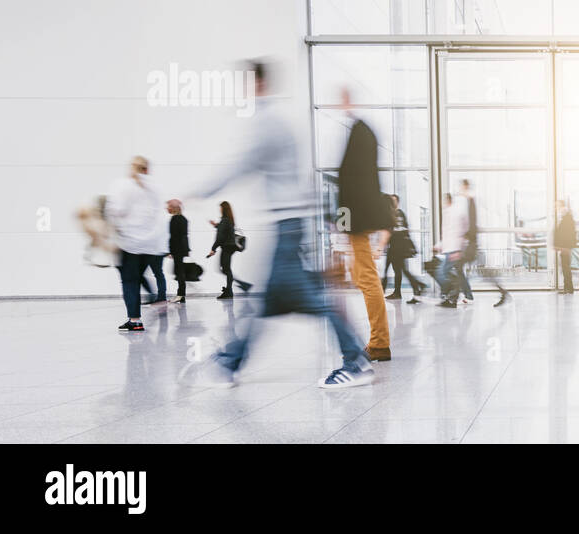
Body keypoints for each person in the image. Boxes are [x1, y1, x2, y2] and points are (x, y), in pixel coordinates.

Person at [179, 59, 374, 389]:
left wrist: (196, 192)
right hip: (288, 224)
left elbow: (239, 163)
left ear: (257, 84)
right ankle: (230, 360)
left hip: (286, 226)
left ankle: (356, 359)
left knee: (309, 301)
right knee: (269, 300)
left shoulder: (266, 122)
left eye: (244, 85)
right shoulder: (275, 120)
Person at [335, 87, 394, 362]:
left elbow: (356, 182)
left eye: (344, 98)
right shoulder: (361, 132)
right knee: (362, 276)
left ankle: (380, 342)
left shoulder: (361, 132)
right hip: (357, 220)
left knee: (367, 279)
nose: (340, 103)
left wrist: (346, 222)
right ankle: (378, 340)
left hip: (358, 220)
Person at [106, 156, 169, 332]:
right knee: (139, 276)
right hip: (151, 245)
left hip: (129, 243)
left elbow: (115, 211)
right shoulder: (156, 188)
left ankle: (135, 320)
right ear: (147, 169)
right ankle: (157, 298)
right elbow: (159, 215)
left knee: (129, 281)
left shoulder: (123, 186)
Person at [459, 179, 509, 306]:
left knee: (458, 267)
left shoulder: (471, 201)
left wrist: (466, 235)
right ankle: (503, 292)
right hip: (472, 244)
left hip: (472, 244)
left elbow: (472, 223)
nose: (460, 190)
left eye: (461, 187)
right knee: (483, 272)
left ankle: (462, 295)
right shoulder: (470, 202)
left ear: (465, 187)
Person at [384, 194, 428, 304]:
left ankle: (417, 286)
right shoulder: (395, 213)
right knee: (397, 270)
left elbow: (400, 229)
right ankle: (399, 292)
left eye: (394, 201)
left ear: (397, 202)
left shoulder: (397, 214)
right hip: (394, 247)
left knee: (400, 270)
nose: (392, 203)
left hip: (397, 248)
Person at [207, 201, 251, 299]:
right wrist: (216, 225)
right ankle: (233, 289)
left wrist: (213, 249)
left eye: (220, 208)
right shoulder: (229, 220)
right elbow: (224, 230)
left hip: (227, 247)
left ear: (224, 209)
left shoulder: (225, 220)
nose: (219, 209)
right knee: (225, 269)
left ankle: (230, 291)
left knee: (225, 269)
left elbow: (220, 237)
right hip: (230, 247)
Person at [434, 193, 470, 307]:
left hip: (454, 249)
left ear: (446, 200)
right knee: (458, 273)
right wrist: (439, 245)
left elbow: (457, 232)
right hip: (451, 248)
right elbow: (448, 233)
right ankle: (467, 296)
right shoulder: (449, 212)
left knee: (442, 272)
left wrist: (458, 250)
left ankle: (451, 295)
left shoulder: (454, 213)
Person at [167, 199, 189, 303]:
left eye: (169, 206)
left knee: (179, 272)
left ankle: (180, 294)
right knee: (180, 271)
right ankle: (181, 294)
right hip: (182, 248)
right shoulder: (184, 219)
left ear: (174, 208)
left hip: (177, 249)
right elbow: (184, 236)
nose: (167, 208)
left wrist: (170, 250)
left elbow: (173, 237)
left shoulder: (174, 219)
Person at [553, 200, 577, 295]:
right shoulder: (564, 217)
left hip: (565, 247)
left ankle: (569, 288)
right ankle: (567, 288)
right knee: (565, 268)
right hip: (564, 247)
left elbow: (569, 234)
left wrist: (566, 247)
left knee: (566, 268)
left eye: (557, 206)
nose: (556, 208)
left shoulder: (567, 218)